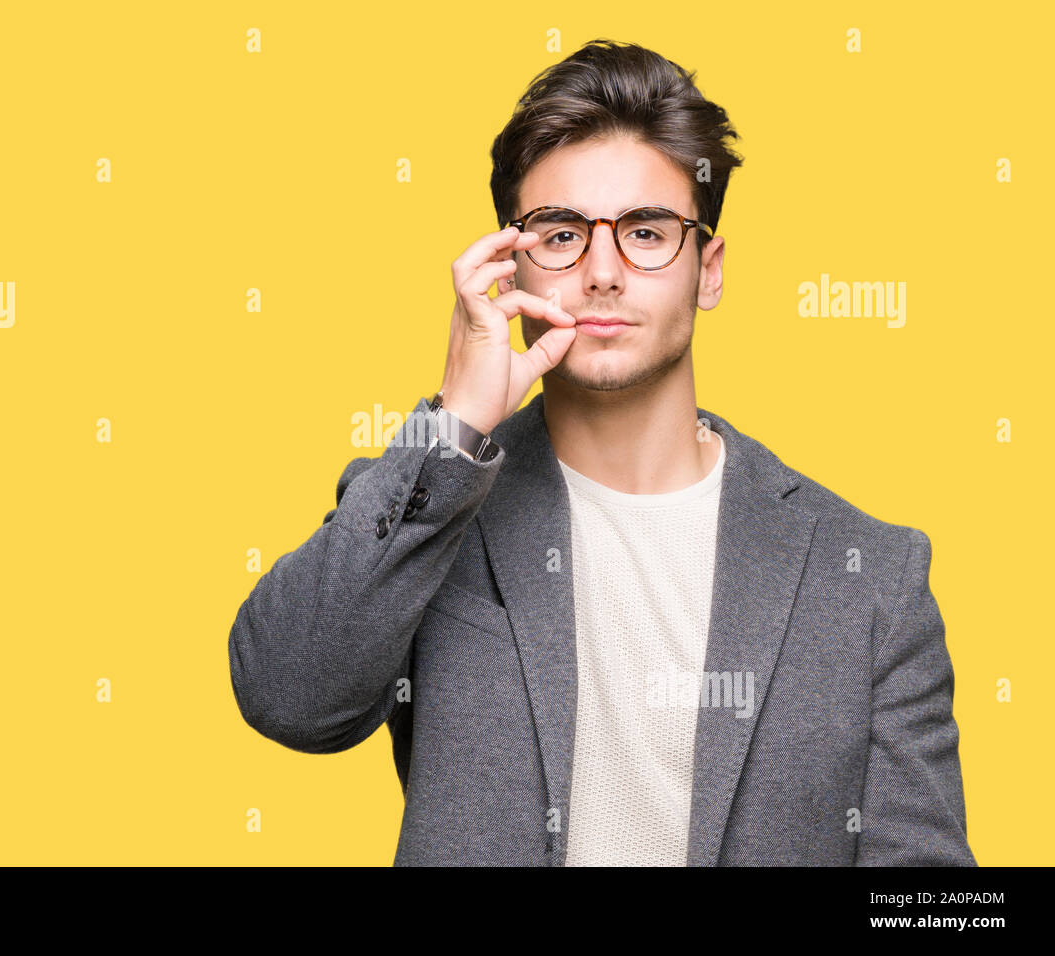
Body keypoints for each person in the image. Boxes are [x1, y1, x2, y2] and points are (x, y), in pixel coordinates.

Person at [228, 38, 974, 866]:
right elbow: (287, 699)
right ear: (510, 267)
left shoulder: (870, 576)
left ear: (709, 268)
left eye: (648, 232)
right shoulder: (425, 503)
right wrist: (454, 425)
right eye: (561, 235)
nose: (604, 272)